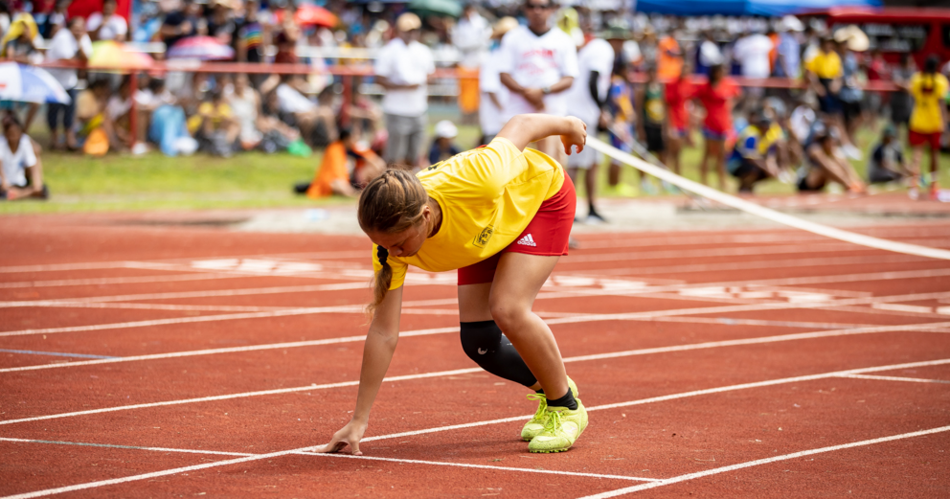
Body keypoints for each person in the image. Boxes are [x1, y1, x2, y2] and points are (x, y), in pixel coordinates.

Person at [318, 113, 588, 457]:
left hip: (540, 201)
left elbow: (521, 125)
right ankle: (554, 386)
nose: (392, 253)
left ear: (425, 217)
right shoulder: (389, 249)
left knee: (508, 307)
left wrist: (568, 126)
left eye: (399, 244)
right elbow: (384, 332)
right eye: (383, 244)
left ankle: (565, 407)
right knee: (480, 343)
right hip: (487, 229)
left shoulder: (477, 178)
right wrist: (359, 419)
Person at [498, 0, 578, 166]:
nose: (537, 11)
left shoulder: (562, 39)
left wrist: (543, 91)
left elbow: (569, 78)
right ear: (525, 9)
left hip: (552, 113)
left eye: (542, 7)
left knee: (551, 168)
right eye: (531, 6)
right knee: (512, 167)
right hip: (517, 114)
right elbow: (504, 74)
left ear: (551, 9)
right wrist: (528, 93)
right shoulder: (513, 37)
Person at [565, 25, 613, 222]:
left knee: (593, 162)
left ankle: (591, 208)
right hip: (582, 114)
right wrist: (602, 109)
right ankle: (570, 210)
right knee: (577, 164)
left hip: (585, 113)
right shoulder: (603, 50)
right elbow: (593, 81)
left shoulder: (594, 48)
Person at [375, 12, 434, 168]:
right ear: (399, 30)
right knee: (394, 156)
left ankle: (408, 190)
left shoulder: (423, 51)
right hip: (397, 109)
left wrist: (417, 83)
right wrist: (405, 86)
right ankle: (391, 189)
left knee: (414, 155)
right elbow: (380, 79)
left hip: (418, 108)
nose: (411, 34)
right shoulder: (389, 50)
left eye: (414, 30)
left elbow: (431, 75)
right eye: (408, 30)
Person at [45, 16, 92, 151]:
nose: (78, 31)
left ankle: (69, 141)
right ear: (69, 28)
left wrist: (79, 43)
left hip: (69, 80)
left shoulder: (83, 37)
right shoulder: (62, 37)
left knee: (69, 111)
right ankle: (54, 140)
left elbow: (86, 58)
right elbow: (68, 60)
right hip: (54, 79)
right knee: (54, 111)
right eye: (76, 29)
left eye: (80, 29)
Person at [906, 55, 949, 199]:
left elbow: (910, 91)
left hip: (918, 120)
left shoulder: (917, 78)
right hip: (934, 121)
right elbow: (942, 103)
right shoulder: (940, 81)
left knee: (917, 155)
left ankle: (914, 185)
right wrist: (944, 121)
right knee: (934, 155)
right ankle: (934, 184)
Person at [303, 127, 384, 199]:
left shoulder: (356, 149)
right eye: (354, 137)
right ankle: (356, 194)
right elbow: (336, 172)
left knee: (373, 168)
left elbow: (379, 163)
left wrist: (367, 156)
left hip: (356, 179)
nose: (356, 139)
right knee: (338, 184)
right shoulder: (334, 148)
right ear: (346, 138)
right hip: (341, 181)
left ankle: (376, 190)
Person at [696, 63, 740, 191]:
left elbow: (737, 95)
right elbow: (696, 98)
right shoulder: (706, 86)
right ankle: (703, 181)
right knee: (707, 154)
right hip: (710, 123)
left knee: (722, 156)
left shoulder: (727, 84)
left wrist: (730, 106)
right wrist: (700, 111)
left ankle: (722, 181)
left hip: (723, 125)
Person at [478, 17, 518, 145]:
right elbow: (491, 90)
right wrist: (507, 112)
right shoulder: (492, 59)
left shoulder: (511, 57)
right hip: (496, 120)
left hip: (509, 118)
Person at [799, 122, 866, 194]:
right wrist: (846, 183)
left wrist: (855, 179)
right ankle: (848, 185)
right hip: (806, 182)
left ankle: (854, 183)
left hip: (820, 183)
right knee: (827, 168)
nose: (833, 144)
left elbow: (845, 165)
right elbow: (826, 166)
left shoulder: (832, 152)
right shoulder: (815, 150)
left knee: (840, 162)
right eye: (830, 141)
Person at [727, 109, 778, 193]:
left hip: (749, 162)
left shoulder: (766, 136)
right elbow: (750, 158)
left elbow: (769, 154)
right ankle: (743, 188)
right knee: (753, 169)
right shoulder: (751, 135)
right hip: (735, 164)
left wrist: (772, 166)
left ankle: (749, 187)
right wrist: (767, 169)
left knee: (764, 170)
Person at [0, 114, 46, 201]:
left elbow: (32, 164)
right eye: (10, 133)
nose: (13, 136)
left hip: (20, 183)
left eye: (16, 132)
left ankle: (17, 195)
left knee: (43, 190)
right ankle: (24, 194)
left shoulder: (25, 141)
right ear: (6, 134)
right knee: (5, 193)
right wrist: (5, 185)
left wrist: (37, 185)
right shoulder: (1, 143)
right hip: (4, 185)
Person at [665, 60, 695, 176]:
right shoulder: (673, 84)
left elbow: (689, 105)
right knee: (671, 152)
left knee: (678, 153)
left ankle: (677, 176)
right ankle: (667, 177)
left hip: (684, 122)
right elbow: (668, 106)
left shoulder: (689, 84)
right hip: (675, 122)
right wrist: (669, 126)